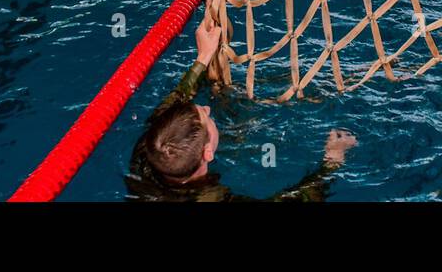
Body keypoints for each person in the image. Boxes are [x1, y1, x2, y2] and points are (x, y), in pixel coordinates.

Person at [129, 13, 358, 200]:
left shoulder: (150, 152)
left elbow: (173, 104)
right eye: (206, 118)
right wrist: (331, 162)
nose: (208, 109)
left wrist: (204, 57)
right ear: (207, 153)